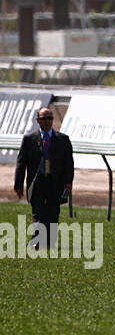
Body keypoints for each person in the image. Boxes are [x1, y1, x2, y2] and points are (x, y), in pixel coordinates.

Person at [13, 106, 74, 251]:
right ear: (37, 120)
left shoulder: (63, 140)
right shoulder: (29, 139)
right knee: (38, 213)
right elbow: (21, 162)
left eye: (50, 118)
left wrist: (68, 182)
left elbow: (69, 164)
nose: (47, 121)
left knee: (53, 213)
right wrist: (18, 183)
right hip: (37, 181)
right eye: (44, 118)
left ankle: (49, 243)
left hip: (55, 181)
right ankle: (37, 241)